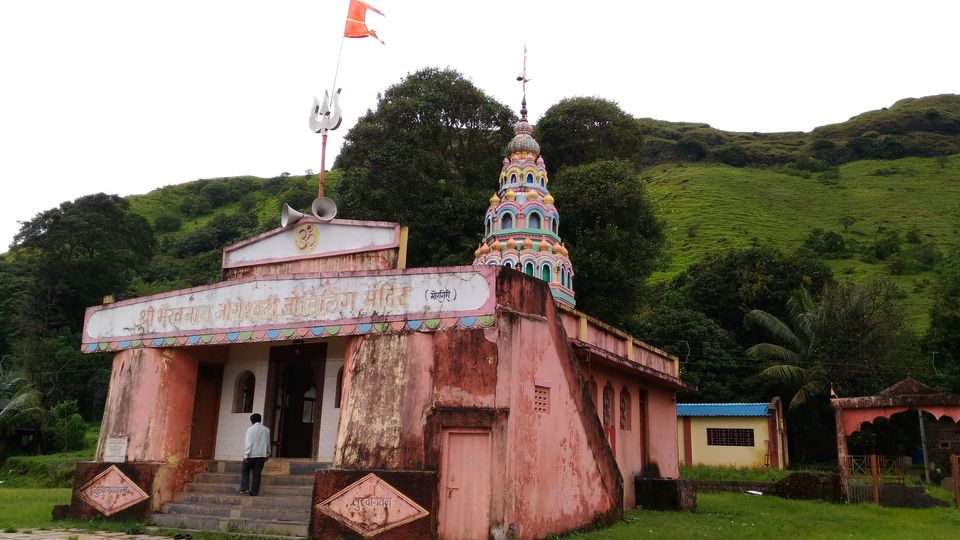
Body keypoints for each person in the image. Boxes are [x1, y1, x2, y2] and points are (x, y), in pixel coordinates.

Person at [241, 413, 271, 496]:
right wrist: (268, 453)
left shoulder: (250, 429)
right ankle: (254, 492)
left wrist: (246, 455)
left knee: (245, 470)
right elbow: (268, 443)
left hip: (251, 456)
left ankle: (244, 488)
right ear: (260, 420)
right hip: (261, 456)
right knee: (257, 473)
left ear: (251, 421)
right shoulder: (266, 430)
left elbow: (248, 443)